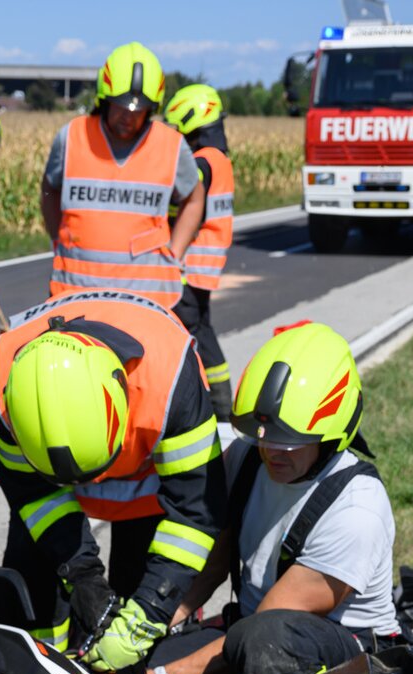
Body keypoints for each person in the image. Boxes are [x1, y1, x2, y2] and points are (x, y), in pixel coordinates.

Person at [148, 321, 398, 674]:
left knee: (263, 645)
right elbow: (213, 565)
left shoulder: (356, 510)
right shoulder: (247, 457)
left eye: (291, 444)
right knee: (154, 661)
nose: (273, 454)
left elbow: (269, 621)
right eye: (266, 441)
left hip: (346, 658)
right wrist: (152, 628)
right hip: (254, 634)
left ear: (334, 434)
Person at [0, 289, 223, 669]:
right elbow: (36, 497)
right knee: (33, 584)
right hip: (53, 477)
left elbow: (195, 514)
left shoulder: (171, 379)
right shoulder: (2, 391)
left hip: (149, 481)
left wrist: (147, 616)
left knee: (139, 607)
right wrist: (82, 576)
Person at [41, 41, 205, 311]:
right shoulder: (72, 137)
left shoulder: (171, 145)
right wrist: (58, 239)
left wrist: (174, 254)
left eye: (138, 110)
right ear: (104, 100)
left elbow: (195, 199)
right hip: (74, 293)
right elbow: (49, 189)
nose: (128, 116)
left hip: (147, 300)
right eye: (120, 107)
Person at [162, 84, 237, 421]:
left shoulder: (203, 162)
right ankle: (219, 409)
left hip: (188, 267)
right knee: (201, 332)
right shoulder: (219, 160)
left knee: (196, 337)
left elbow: (184, 204)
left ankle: (218, 412)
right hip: (203, 268)